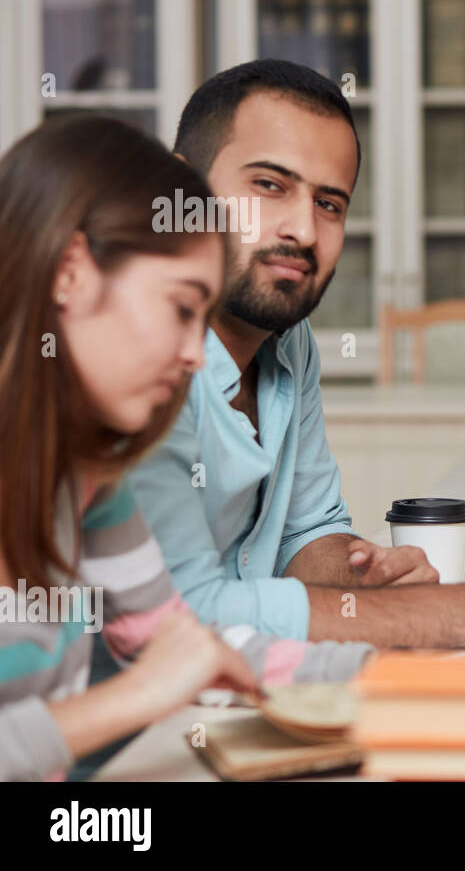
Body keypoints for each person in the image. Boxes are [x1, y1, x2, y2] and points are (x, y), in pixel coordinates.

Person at [120, 59, 465, 647]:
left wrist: (370, 587)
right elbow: (179, 615)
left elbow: (306, 535)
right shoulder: (131, 356)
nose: (303, 230)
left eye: (330, 204)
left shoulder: (289, 343)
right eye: (270, 185)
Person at [0, 116, 373, 781]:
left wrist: (418, 677)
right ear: (70, 273)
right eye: (179, 310)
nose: (193, 356)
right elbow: (162, 672)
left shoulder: (89, 480)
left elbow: (188, 647)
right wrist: (136, 696)